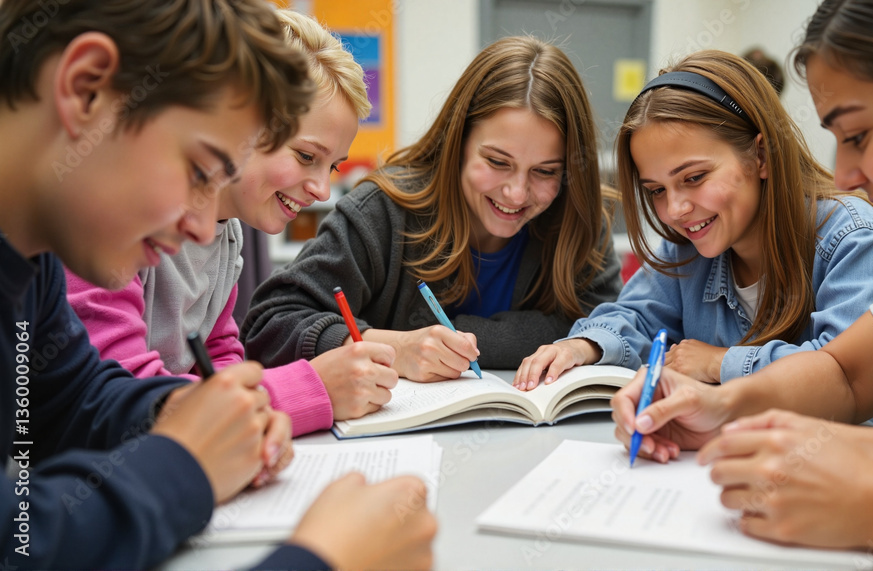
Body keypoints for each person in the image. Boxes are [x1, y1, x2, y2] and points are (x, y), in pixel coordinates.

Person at [0, 1, 434, 569]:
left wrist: (210, 415)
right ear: (86, 89)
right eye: (200, 170)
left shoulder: (32, 262)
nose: (204, 227)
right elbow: (24, 540)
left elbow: (74, 402)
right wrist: (320, 558)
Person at [609, 0, 873, 567]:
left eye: (859, 134)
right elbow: (844, 372)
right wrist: (720, 408)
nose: (844, 175)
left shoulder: (854, 230)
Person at [514, 50, 873, 432]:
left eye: (694, 177)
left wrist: (718, 362)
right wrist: (584, 346)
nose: (675, 210)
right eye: (656, 191)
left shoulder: (847, 233)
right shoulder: (688, 245)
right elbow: (636, 317)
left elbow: (838, 374)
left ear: (761, 156)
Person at [64, 9, 397, 438]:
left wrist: (250, 424)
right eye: (305, 156)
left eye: (331, 167)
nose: (320, 189)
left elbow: (220, 352)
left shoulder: (228, 233)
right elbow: (120, 395)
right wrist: (308, 392)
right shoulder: (109, 215)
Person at [242, 36, 623, 382]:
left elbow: (606, 327)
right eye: (496, 162)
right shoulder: (383, 212)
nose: (517, 193)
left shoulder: (578, 217)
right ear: (457, 142)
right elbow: (269, 326)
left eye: (545, 172)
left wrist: (464, 334)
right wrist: (394, 347)